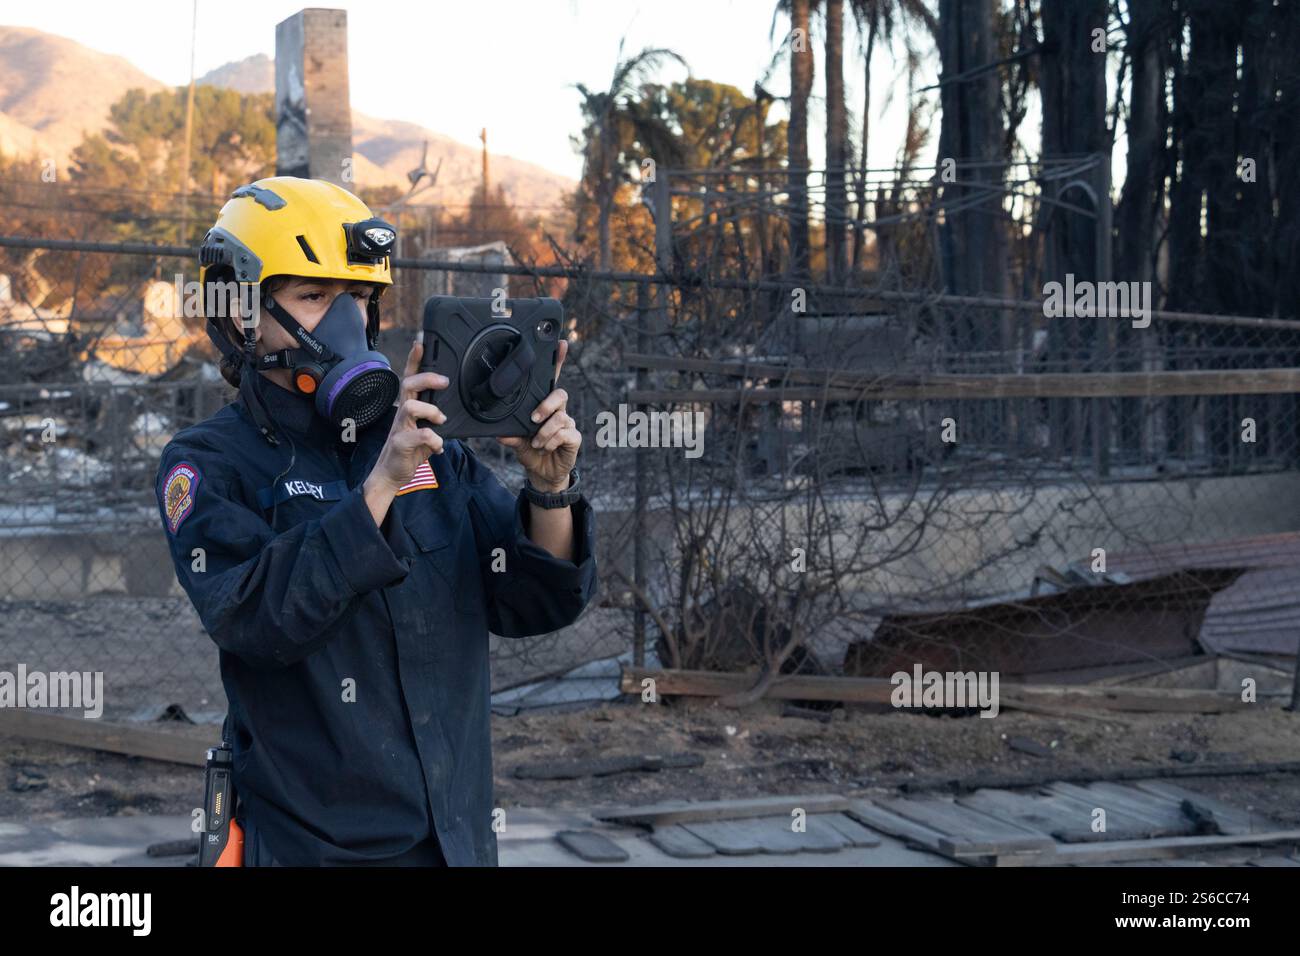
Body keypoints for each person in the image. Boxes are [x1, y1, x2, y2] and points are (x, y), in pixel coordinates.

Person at [155, 176, 597, 866]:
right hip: (316, 848)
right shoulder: (209, 464)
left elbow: (532, 603)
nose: (344, 322)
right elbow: (256, 622)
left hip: (457, 842)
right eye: (313, 296)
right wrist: (376, 492)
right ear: (239, 310)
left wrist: (550, 493)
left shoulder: (426, 448)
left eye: (358, 298)